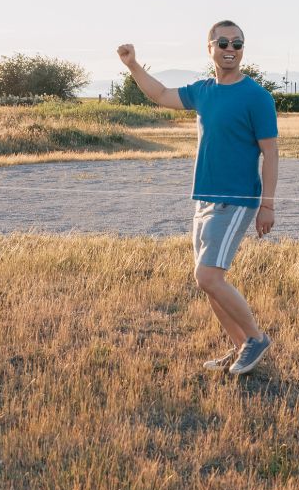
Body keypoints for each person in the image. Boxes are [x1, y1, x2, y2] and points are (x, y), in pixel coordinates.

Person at [116, 20, 278, 375]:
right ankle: (240, 347)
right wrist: (132, 65)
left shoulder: (257, 97)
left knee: (208, 277)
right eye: (223, 42)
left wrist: (267, 205)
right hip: (204, 198)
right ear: (210, 48)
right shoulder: (203, 91)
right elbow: (160, 95)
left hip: (236, 200)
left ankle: (255, 338)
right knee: (206, 281)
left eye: (237, 43)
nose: (230, 48)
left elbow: (271, 153)